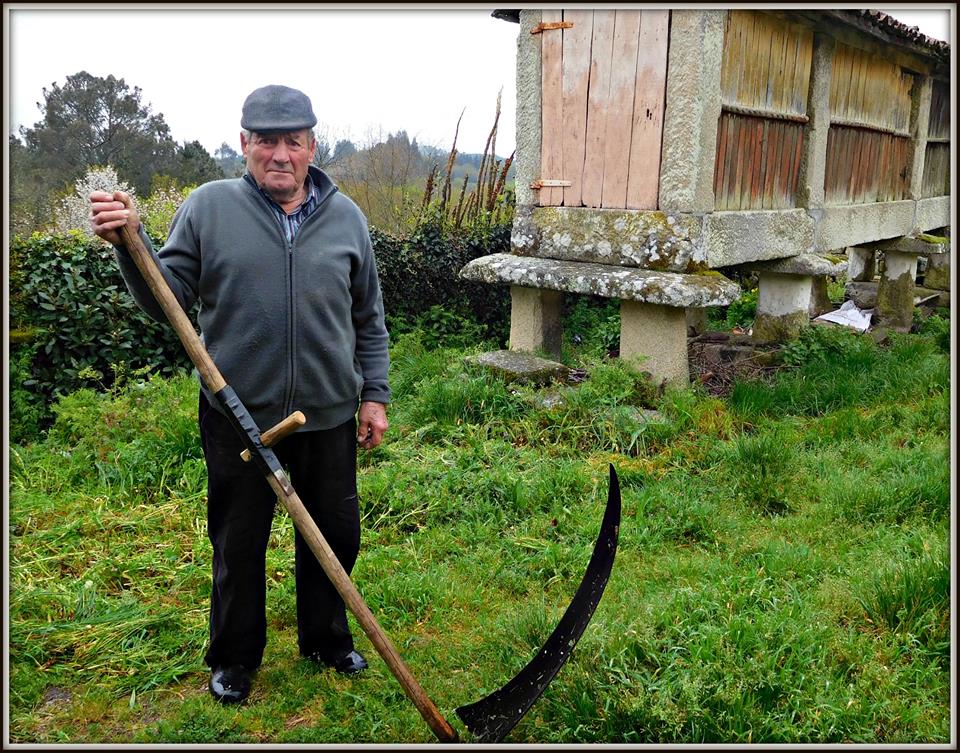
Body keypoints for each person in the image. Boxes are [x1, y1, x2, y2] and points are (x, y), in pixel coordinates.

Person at [89, 84, 390, 705]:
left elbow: (369, 319)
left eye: (293, 141)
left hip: (329, 412)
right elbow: (165, 303)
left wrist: (374, 395)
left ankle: (327, 640)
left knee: (334, 534)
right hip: (236, 413)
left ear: (312, 145)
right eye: (266, 141)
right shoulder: (208, 208)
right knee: (238, 539)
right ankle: (233, 658)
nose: (280, 154)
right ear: (245, 144)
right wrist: (130, 247)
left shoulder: (347, 218)